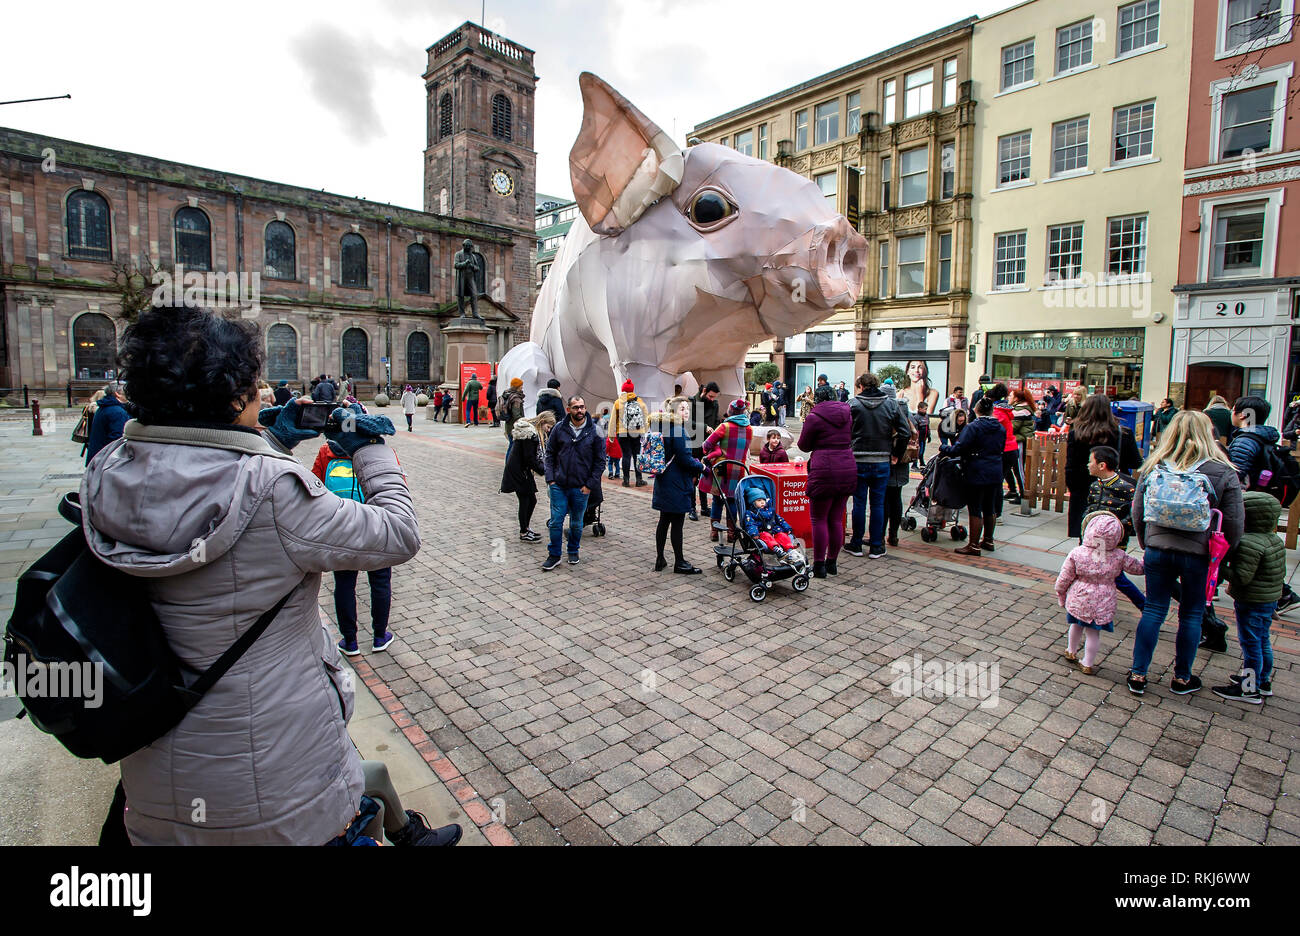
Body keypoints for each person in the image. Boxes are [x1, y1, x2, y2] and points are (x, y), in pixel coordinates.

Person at [80, 303, 439, 845]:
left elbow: (196, 462)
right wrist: (371, 449)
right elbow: (397, 533)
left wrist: (263, 437)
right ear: (232, 398)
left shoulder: (108, 469)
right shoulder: (275, 492)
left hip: (158, 773)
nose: (263, 393)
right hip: (278, 782)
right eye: (255, 385)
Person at [1127, 410, 1244, 697]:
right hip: (1199, 552)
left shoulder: (1155, 465)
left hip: (1158, 548)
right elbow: (1234, 520)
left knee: (1154, 609)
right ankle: (1182, 677)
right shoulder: (1222, 471)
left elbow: (1138, 510)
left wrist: (1146, 541)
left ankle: (1139, 674)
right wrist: (1223, 553)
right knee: (1191, 614)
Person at [309, 422, 397, 656]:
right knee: (380, 581)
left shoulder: (326, 451)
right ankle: (380, 636)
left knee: (344, 585)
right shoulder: (378, 452)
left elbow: (314, 488)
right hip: (375, 524)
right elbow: (395, 489)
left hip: (342, 527)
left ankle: (350, 641)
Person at [1225, 394, 1299, 615]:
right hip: (1262, 501)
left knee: (1243, 548)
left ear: (1242, 414)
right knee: (1258, 549)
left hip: (1248, 504)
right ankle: (1281, 593)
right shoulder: (1264, 437)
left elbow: (1235, 477)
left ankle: (1281, 594)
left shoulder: (1246, 440)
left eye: (1234, 409)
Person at [1213, 491, 1284, 704]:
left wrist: (1220, 565)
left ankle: (1249, 688)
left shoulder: (1249, 544)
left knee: (1251, 644)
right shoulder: (1274, 540)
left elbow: (1242, 577)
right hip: (1267, 600)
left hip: (1251, 601)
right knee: (1263, 640)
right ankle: (1263, 681)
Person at [1055, 513, 1145, 676]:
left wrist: (1060, 593)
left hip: (1080, 598)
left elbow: (1065, 577)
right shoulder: (1119, 555)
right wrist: (1147, 559)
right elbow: (1138, 568)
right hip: (1103, 600)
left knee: (1075, 624)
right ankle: (1087, 663)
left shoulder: (1078, 552)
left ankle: (1071, 650)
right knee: (1093, 633)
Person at [845, 372, 912, 559]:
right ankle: (876, 545)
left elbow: (844, 430)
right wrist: (896, 454)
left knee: (858, 503)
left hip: (858, 459)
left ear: (861, 386)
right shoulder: (891, 404)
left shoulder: (853, 404)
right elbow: (905, 432)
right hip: (882, 460)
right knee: (878, 504)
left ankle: (856, 543)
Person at [798, 385, 856, 578]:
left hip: (824, 467)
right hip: (847, 464)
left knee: (819, 518)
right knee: (836, 518)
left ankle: (820, 565)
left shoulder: (814, 417)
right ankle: (832, 562)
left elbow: (803, 445)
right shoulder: (847, 414)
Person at [1065, 394, 1141, 538]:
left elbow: (1070, 467)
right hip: (1116, 491)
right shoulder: (1122, 433)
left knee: (1086, 537)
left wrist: (1073, 489)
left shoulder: (1076, 434)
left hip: (1084, 490)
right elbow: (1135, 462)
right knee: (1115, 536)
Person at [542, 396, 605, 570]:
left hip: (581, 487)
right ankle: (554, 555)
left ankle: (573, 550)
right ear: (568, 409)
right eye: (576, 407)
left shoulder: (595, 431)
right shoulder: (559, 429)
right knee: (556, 521)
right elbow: (550, 455)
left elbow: (600, 462)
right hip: (559, 485)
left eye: (582, 407)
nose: (580, 410)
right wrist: (551, 479)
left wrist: (589, 485)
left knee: (576, 523)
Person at [1084, 444, 1144, 611]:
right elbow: (1089, 509)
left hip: (1113, 542)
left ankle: (1145, 607)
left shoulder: (1127, 487)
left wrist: (1117, 530)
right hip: (1093, 540)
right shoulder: (1095, 486)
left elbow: (1133, 516)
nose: (1088, 465)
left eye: (1091, 461)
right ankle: (1093, 602)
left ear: (1102, 465)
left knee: (1116, 577)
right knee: (1094, 571)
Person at [945, 397, 1005, 556]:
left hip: (977, 470)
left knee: (975, 507)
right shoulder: (1000, 427)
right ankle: (988, 540)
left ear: (976, 410)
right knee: (990, 506)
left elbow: (960, 447)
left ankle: (973, 545)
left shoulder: (973, 427)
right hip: (995, 470)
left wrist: (945, 449)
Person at [651, 403, 705, 574]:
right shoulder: (678, 431)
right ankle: (680, 562)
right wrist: (702, 468)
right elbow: (684, 459)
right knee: (677, 523)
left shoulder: (662, 427)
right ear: (673, 412)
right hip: (677, 482)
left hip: (663, 479)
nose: (686, 412)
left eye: (687, 408)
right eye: (682, 409)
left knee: (664, 520)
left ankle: (660, 558)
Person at [700, 398, 754, 543]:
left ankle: (714, 532)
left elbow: (707, 444)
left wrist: (713, 449)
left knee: (717, 500)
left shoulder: (725, 426)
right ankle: (731, 533)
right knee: (732, 500)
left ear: (731, 411)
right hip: (738, 469)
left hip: (721, 468)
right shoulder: (749, 429)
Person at [501, 411, 556, 543]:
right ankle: (524, 531)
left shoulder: (530, 433)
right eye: (548, 427)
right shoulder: (530, 435)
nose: (548, 430)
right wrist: (545, 471)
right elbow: (529, 459)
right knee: (527, 501)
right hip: (520, 472)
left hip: (521, 471)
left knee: (530, 500)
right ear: (542, 422)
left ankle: (525, 528)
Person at [882, 382, 916, 547]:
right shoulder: (905, 409)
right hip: (903, 460)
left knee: (883, 500)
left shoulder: (889, 408)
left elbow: (903, 433)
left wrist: (894, 454)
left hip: (889, 458)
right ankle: (893, 535)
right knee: (896, 498)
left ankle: (879, 536)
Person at [985, 384, 1022, 507]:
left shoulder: (997, 413)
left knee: (996, 481)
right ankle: (1011, 493)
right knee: (1002, 475)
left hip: (1004, 449)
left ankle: (996, 511)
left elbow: (990, 430)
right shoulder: (1005, 411)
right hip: (1011, 447)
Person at [690, 381, 721, 522]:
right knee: (692, 477)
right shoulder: (692, 401)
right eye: (710, 396)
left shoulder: (714, 404)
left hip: (707, 445)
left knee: (705, 475)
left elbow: (715, 421)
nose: (712, 399)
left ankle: (703, 507)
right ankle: (691, 508)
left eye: (714, 397)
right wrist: (705, 427)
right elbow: (688, 422)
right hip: (693, 443)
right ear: (704, 391)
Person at [611, 379, 649, 487]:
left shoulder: (618, 402)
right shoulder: (640, 402)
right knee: (637, 455)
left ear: (623, 390)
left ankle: (626, 480)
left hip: (622, 432)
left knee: (626, 455)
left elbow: (613, 419)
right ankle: (639, 480)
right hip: (636, 431)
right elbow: (646, 417)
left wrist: (611, 434)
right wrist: (644, 431)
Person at [85, 381, 131, 464]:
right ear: (117, 394)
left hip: (99, 457)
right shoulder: (117, 412)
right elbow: (118, 439)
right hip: (107, 460)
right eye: (127, 392)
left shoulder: (105, 407)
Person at [744, 487, 795, 554]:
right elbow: (750, 524)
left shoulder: (771, 510)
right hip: (761, 533)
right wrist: (754, 533)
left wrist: (787, 528)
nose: (762, 502)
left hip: (775, 531)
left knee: (783, 535)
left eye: (763, 500)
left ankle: (789, 550)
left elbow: (780, 520)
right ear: (753, 502)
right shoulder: (750, 513)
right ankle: (776, 549)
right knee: (766, 536)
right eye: (759, 500)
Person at [1010, 387, 1037, 498]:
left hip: (1020, 442)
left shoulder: (1020, 411)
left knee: (1019, 468)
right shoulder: (1021, 408)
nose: (1008, 398)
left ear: (1016, 398)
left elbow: (1013, 427)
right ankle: (1016, 491)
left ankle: (1023, 494)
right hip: (1018, 440)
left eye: (1011, 396)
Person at [499, 377, 526, 460]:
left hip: (509, 425)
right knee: (512, 446)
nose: (522, 387)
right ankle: (508, 465)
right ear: (517, 386)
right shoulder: (516, 399)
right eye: (521, 385)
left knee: (512, 445)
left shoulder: (507, 394)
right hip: (514, 426)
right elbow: (516, 415)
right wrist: (525, 421)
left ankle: (509, 464)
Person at [911, 401, 931, 469]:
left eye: (926, 409)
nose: (925, 410)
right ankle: (914, 464)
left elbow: (928, 427)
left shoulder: (926, 416)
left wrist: (929, 435)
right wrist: (915, 438)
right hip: (919, 438)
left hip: (924, 437)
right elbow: (915, 429)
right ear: (919, 409)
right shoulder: (916, 417)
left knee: (922, 451)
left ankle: (922, 463)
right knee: (918, 451)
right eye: (924, 409)